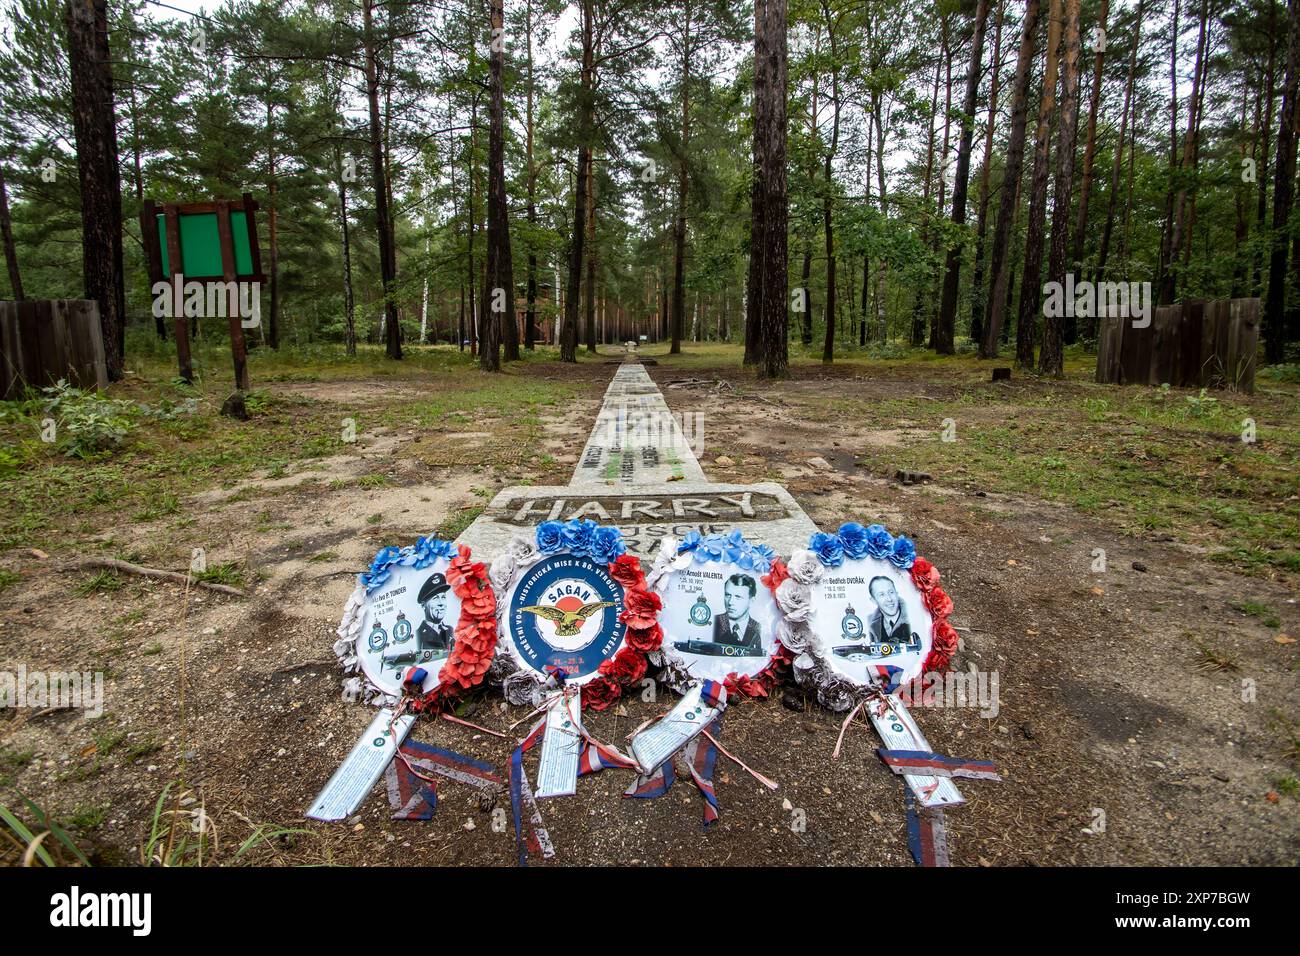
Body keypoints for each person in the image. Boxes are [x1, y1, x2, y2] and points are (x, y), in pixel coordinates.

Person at [711, 573, 762, 652]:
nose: (730, 602)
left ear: (751, 601)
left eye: (738, 597)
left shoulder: (758, 628)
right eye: (727, 595)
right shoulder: (713, 622)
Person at [867, 576, 919, 650]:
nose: (889, 599)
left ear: (897, 593)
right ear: (874, 600)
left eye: (891, 592)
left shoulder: (913, 616)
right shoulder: (870, 625)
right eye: (881, 594)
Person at [416, 572, 454, 652]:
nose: (441, 603)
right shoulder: (419, 635)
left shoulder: (450, 630)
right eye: (435, 598)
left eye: (443, 597)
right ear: (423, 605)